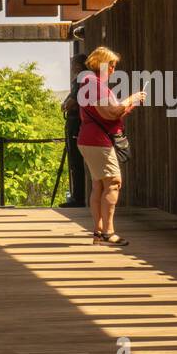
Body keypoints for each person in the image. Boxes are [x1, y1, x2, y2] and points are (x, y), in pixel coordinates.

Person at [77, 46, 146, 246]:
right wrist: (131, 99)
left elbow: (107, 113)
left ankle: (98, 232)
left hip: (89, 138)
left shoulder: (90, 82)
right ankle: (109, 231)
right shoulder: (95, 84)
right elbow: (110, 112)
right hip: (98, 141)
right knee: (113, 182)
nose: (114, 70)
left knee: (98, 185)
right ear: (102, 64)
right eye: (112, 65)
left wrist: (129, 105)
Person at [58, 53, 89, 208]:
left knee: (76, 162)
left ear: (78, 65)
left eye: (73, 65)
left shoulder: (82, 80)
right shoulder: (82, 80)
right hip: (77, 123)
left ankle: (78, 198)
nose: (71, 68)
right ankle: (78, 196)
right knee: (76, 162)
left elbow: (69, 103)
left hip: (76, 123)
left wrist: (66, 105)